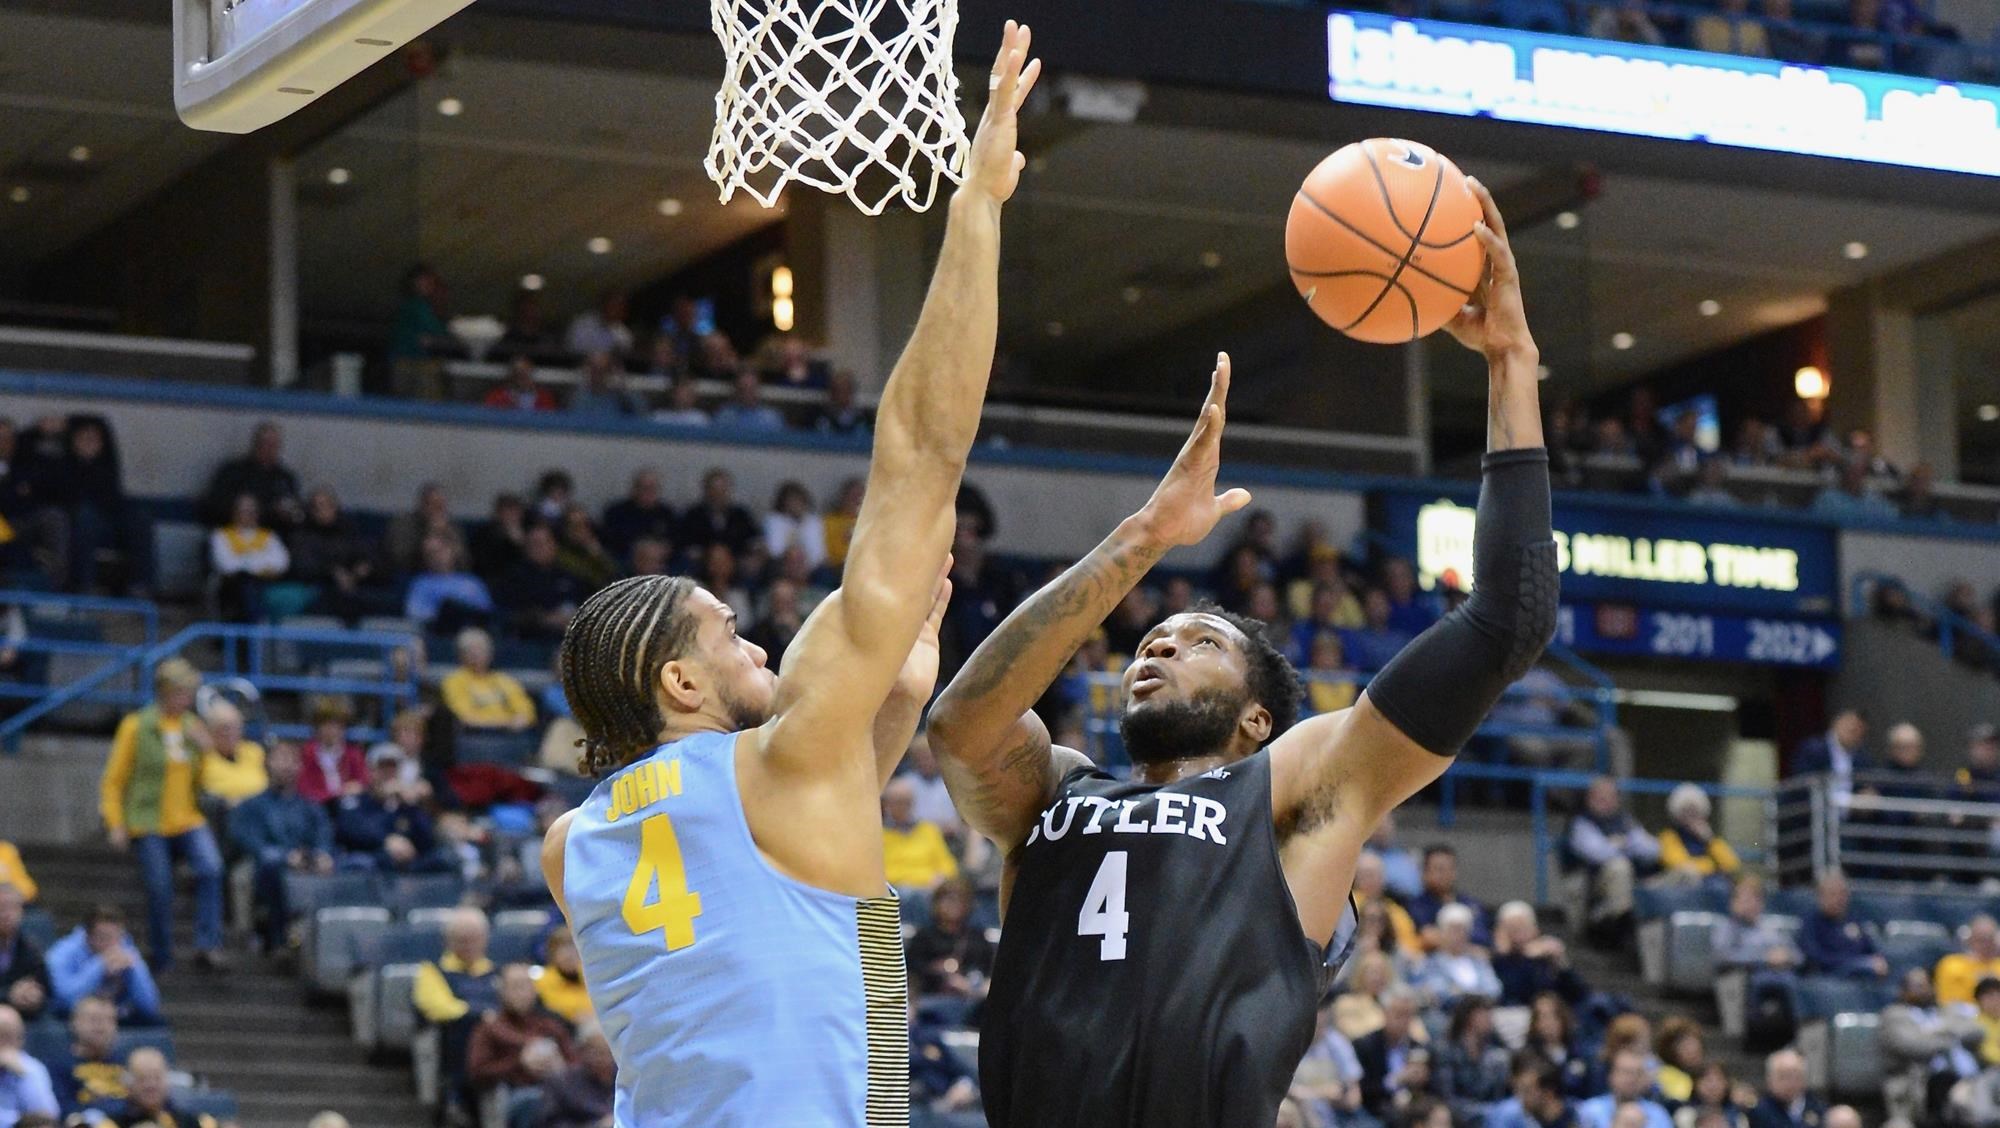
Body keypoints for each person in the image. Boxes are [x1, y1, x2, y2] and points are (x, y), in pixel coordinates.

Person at [926, 178, 1554, 1128]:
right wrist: (1139, 540)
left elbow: (1507, 620)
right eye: (1151, 637)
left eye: (1201, 641)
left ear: (1259, 717)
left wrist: (1511, 362)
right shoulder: (1058, 792)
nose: (1163, 638)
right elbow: (961, 722)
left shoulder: (1292, 792)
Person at [536, 29, 1037, 1127]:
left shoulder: (573, 844)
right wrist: (978, 207)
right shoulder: (786, 758)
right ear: (677, 683)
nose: (755, 643)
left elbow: (785, 882)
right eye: (726, 634)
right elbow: (916, 452)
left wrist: (893, 699)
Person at [100, 659, 224, 972]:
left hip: (187, 819)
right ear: (166, 692)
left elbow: (209, 778)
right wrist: (116, 823)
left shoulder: (192, 726)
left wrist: (207, 749)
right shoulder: (136, 726)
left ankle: (207, 945)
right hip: (148, 820)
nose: (187, 700)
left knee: (211, 868)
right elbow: (114, 780)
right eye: (183, 693)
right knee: (160, 886)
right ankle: (162, 953)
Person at [229, 742, 334, 953]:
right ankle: (249, 936)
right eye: (280, 759)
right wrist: (285, 856)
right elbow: (245, 837)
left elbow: (323, 833)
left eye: (291, 760)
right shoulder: (252, 804)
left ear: (299, 767)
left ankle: (311, 943)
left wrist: (323, 853)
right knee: (247, 874)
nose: (285, 765)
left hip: (303, 866)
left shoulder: (309, 805)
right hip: (262, 865)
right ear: (268, 763)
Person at [1878, 967, 1981, 1128]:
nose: (1922, 990)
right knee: (1946, 1085)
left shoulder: (1947, 1009)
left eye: (1925, 985)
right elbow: (1913, 1046)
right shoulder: (1894, 1014)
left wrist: (1936, 1032)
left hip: (1967, 1078)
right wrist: (1950, 1038)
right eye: (1916, 986)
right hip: (1920, 1083)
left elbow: (1976, 1031)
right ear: (1903, 991)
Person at [1565, 776, 1660, 938]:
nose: (1606, 801)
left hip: (1635, 881)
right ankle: (1622, 924)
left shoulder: (1626, 821)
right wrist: (1624, 846)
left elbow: (1653, 849)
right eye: (1600, 797)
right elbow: (1599, 854)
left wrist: (1622, 843)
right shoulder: (1581, 823)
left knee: (1684, 874)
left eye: (1611, 796)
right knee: (1619, 866)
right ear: (1590, 799)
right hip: (1595, 885)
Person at [467, 963, 576, 1097]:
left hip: (557, 1091)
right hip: (513, 1096)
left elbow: (576, 1064)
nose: (522, 993)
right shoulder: (489, 1028)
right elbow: (477, 1073)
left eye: (527, 986)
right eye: (515, 986)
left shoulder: (550, 1025)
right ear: (502, 991)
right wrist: (520, 1062)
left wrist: (558, 1065)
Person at [333, 745, 444, 874]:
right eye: (383, 768)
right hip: (370, 859)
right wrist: (386, 840)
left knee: (442, 859)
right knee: (364, 863)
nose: (388, 774)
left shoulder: (403, 804)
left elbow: (428, 839)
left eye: (393, 769)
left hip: (406, 864)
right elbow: (349, 829)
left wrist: (410, 805)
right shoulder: (356, 799)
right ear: (371, 771)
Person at [44, 908, 160, 1025]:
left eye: (117, 937)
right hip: (71, 1016)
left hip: (115, 1013)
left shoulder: (126, 950)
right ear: (88, 937)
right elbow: (64, 1001)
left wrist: (134, 970)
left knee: (156, 1023)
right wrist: (99, 966)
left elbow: (150, 1006)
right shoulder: (62, 953)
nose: (112, 944)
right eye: (104, 937)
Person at [907, 879, 995, 1007]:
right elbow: (912, 971)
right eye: (948, 899)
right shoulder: (923, 936)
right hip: (929, 998)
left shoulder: (977, 937)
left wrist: (967, 983)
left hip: (969, 999)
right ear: (936, 903)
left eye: (959, 900)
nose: (953, 906)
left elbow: (986, 970)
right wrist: (937, 970)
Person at [198, 421, 302, 529]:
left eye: (274, 445)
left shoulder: (286, 478)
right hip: (234, 536)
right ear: (255, 443)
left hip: (272, 538)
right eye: (265, 443)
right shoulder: (232, 472)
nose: (269, 449)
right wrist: (244, 508)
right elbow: (212, 507)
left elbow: (297, 515)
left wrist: (289, 513)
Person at [91, 1047, 220, 1128]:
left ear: (167, 1081)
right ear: (128, 1085)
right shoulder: (110, 1124)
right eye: (142, 1078)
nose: (150, 1085)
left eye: (157, 1078)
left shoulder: (195, 1122)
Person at [209, 492, 289, 621]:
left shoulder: (269, 536)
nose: (249, 515)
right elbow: (226, 565)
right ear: (234, 513)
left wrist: (245, 560)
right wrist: (261, 559)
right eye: (244, 511)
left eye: (252, 511)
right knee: (246, 586)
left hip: (266, 583)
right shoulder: (221, 535)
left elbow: (281, 563)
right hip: (233, 586)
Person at [1435, 996, 1512, 1126]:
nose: (1489, 1020)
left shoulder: (1497, 1055)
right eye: (1484, 1015)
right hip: (1459, 1116)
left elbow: (1502, 1094)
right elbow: (1447, 1098)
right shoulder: (1445, 1051)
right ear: (1468, 1018)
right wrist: (1487, 1112)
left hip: (1493, 1116)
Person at [42, 996, 126, 1115]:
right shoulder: (57, 1067)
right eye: (94, 1019)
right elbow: (60, 1110)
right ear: (74, 1023)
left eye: (108, 1020)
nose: (101, 1026)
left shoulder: (127, 1064)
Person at [1492, 901, 1586, 1007]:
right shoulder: (1497, 960)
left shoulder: (1544, 956)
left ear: (1535, 929)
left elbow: (1578, 993)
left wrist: (1561, 963)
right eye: (1513, 929)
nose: (1519, 935)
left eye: (1523, 927)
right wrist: (1521, 956)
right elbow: (1514, 993)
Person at [442, 628, 536, 731]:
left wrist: (518, 720)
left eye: (481, 649)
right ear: (460, 655)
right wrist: (507, 722)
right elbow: (466, 717)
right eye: (470, 650)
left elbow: (527, 713)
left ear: (490, 653)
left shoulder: (504, 680)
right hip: (474, 737)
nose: (476, 654)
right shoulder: (454, 681)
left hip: (510, 736)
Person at [1799, 870, 1886, 978]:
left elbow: (1870, 949)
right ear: (1820, 896)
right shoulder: (1811, 921)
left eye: (1843, 893)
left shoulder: (1854, 919)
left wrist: (1879, 961)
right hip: (1828, 977)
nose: (1839, 899)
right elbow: (1813, 956)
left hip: (1859, 975)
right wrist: (1852, 962)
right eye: (1832, 894)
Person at [404, 534, 494, 634]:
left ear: (452, 551)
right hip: (437, 635)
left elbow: (486, 613)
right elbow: (416, 616)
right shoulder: (420, 584)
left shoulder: (472, 582)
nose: (436, 557)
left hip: (472, 634)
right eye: (430, 554)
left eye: (440, 551)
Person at [882, 777, 959, 893]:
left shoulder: (929, 830)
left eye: (906, 802)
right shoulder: (878, 834)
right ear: (887, 805)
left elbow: (948, 867)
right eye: (896, 802)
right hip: (893, 889)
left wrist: (940, 878)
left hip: (927, 889)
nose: (901, 807)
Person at [1408, 844, 1494, 948]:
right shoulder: (1416, 906)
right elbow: (1428, 937)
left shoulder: (1471, 904)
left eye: (1450, 868)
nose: (1445, 874)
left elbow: (1484, 938)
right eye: (1439, 869)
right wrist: (1470, 949)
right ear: (1424, 873)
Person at [1417, 904, 1503, 1006]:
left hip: (1481, 1013)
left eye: (1462, 930)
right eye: (1453, 930)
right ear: (1442, 932)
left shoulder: (1478, 961)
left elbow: (1494, 990)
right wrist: (1476, 994)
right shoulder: (1431, 963)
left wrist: (1460, 992)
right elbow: (1440, 992)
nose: (1458, 935)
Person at [1656, 785, 1739, 885]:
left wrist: (1710, 840)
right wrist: (1713, 866)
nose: (1691, 815)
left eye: (1695, 811)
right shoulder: (1668, 836)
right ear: (1677, 814)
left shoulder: (1710, 839)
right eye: (1686, 811)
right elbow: (1683, 867)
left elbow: (1731, 864)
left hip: (1710, 884)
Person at [537, 1025, 614, 1128]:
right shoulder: (561, 1082)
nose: (604, 1059)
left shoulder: (628, 1078)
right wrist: (596, 1126)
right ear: (581, 1051)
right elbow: (551, 1124)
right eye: (597, 1052)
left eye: (609, 1052)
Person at [195, 700, 266, 809]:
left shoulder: (254, 751)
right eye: (224, 728)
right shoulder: (205, 757)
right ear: (211, 731)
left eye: (236, 727)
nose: (230, 733)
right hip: (222, 815)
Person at [1578, 1048, 1672, 1128]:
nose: (1631, 1079)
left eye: (1637, 1073)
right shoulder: (1590, 1110)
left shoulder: (1658, 1114)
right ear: (1611, 1075)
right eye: (1625, 1072)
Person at [296, 698, 367, 805]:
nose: (332, 730)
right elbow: (304, 788)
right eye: (326, 725)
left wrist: (358, 788)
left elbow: (364, 783)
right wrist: (338, 794)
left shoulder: (353, 755)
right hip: (316, 807)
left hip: (346, 809)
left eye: (338, 725)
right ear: (317, 728)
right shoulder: (306, 753)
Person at [0, 1002, 57, 1127]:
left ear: (21, 1039)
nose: (4, 1043)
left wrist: (23, 1075)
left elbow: (48, 1116)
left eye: (9, 1036)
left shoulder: (32, 1068)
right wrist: (17, 1120)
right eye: (0, 1035)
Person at [600, 470, 676, 563]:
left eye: (652, 488)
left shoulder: (666, 513)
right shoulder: (616, 512)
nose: (648, 492)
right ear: (634, 489)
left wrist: (663, 548)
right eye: (644, 488)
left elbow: (676, 539)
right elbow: (609, 539)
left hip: (661, 561)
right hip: (627, 558)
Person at [0, 887, 48, 1024]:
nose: (6, 914)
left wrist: (35, 996)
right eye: (2, 907)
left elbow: (45, 989)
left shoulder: (31, 949)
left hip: (24, 1015)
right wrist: (9, 995)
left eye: (12, 908)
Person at [1745, 1050, 1825, 1128]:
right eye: (1783, 1077)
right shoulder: (1758, 1112)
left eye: (1796, 1076)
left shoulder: (1819, 1109)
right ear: (1770, 1080)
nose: (1790, 1083)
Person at [1936, 915, 2000, 1007]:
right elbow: (1947, 1001)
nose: (1986, 945)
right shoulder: (1951, 965)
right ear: (1970, 939)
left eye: (1990, 939)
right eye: (1981, 939)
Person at [532, 928, 591, 1027]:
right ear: (552, 954)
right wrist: (575, 1015)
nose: (569, 955)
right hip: (563, 1027)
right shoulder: (543, 980)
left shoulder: (589, 975)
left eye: (573, 948)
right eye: (563, 949)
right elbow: (553, 1008)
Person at [1653, 1017, 1707, 1105]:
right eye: (1686, 1046)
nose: (1693, 1050)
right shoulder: (1663, 1074)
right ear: (1670, 1050)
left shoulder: (1705, 1073)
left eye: (1696, 1044)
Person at [712, 369, 786, 430]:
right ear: (736, 390)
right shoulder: (724, 416)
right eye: (743, 388)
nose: (747, 393)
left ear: (757, 389)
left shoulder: (771, 418)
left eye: (751, 388)